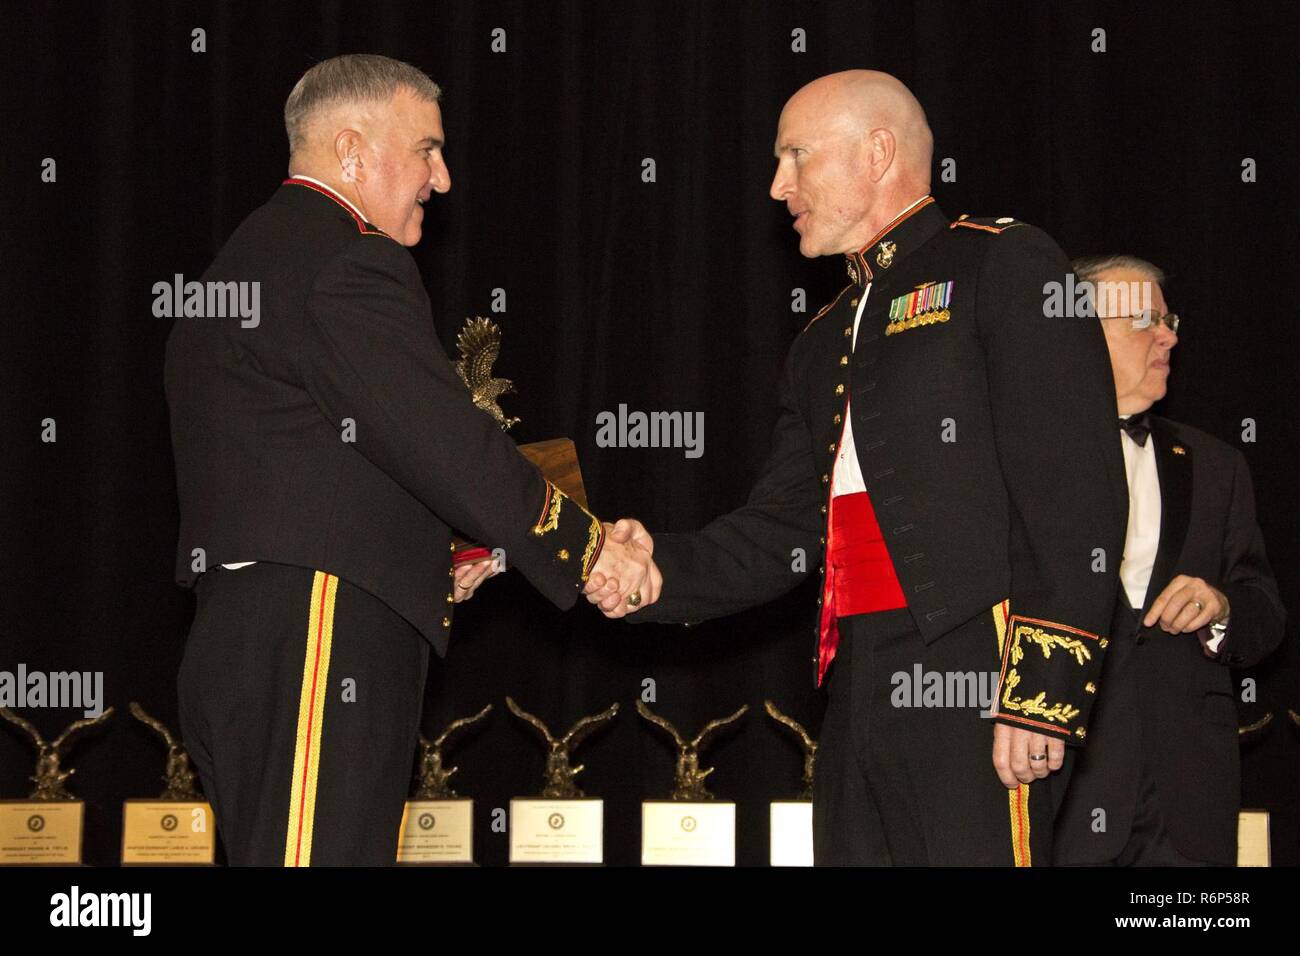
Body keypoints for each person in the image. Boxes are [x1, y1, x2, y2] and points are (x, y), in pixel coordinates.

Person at [586, 70, 1129, 865]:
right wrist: (651, 568)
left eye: (796, 156)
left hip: (978, 668)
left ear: (880, 152)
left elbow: (1075, 487)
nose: (778, 186)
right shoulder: (822, 338)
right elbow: (782, 533)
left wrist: (1040, 694)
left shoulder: (1005, 262)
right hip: (857, 680)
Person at [164, 54, 658, 866]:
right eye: (427, 149)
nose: (444, 176)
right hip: (318, 629)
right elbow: (444, 443)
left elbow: (318, 458)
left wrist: (438, 550)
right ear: (352, 151)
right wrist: (588, 547)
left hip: (265, 630)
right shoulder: (342, 260)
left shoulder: (258, 257)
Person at [1052, 255, 1285, 865]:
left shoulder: (1215, 466)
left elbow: (1265, 613)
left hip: (1187, 797)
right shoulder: (1019, 462)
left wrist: (1221, 607)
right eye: (1143, 321)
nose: (1169, 335)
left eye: (1168, 318)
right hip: (1059, 790)